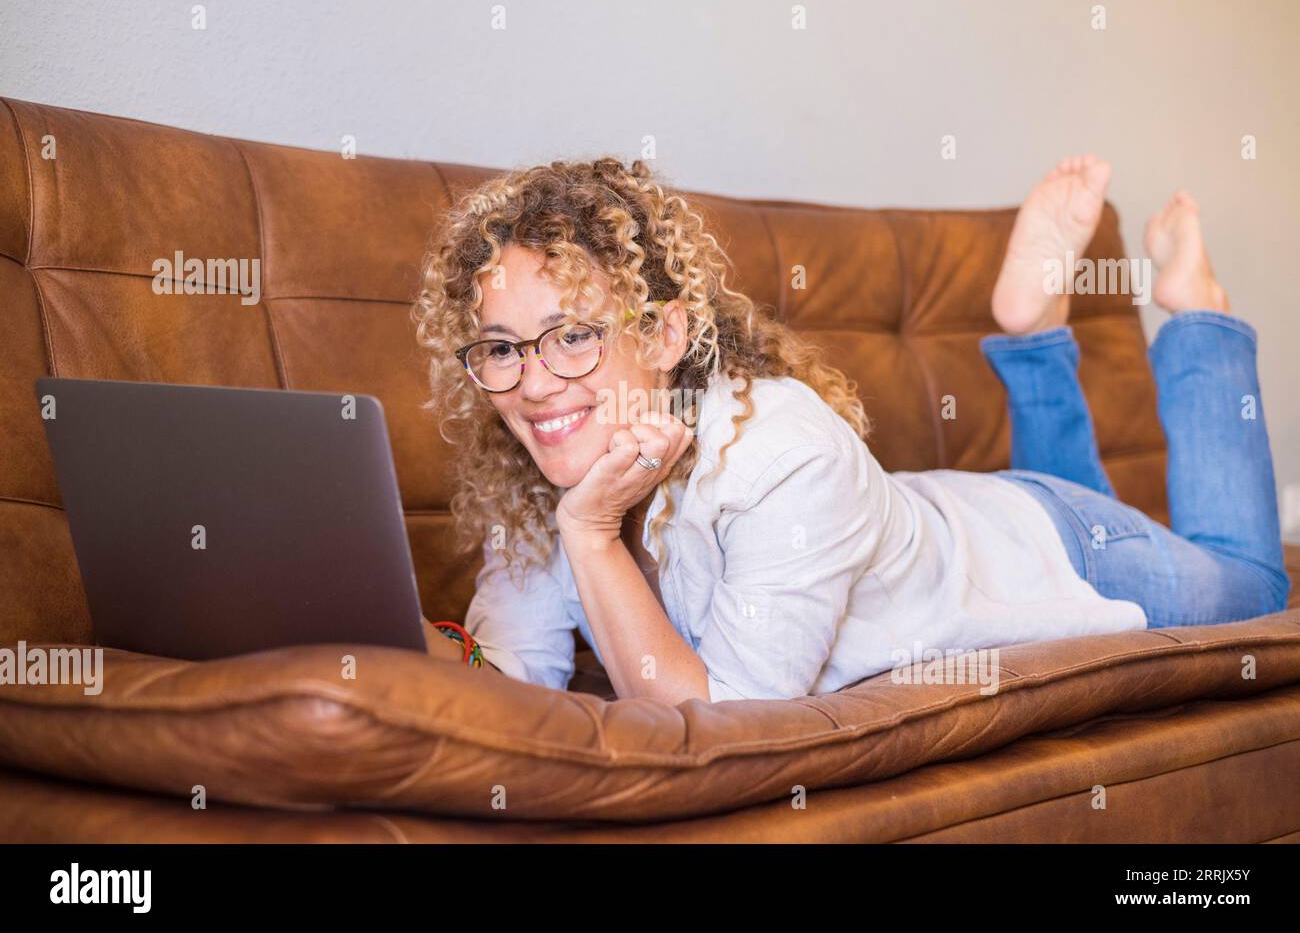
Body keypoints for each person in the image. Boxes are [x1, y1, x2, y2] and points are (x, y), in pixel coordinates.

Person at [411, 155, 1290, 706]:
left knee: (1256, 590)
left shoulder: (781, 453)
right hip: (963, 521)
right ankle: (1034, 333)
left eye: (572, 336)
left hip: (1060, 547)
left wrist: (592, 536)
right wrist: (406, 648)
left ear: (668, 334)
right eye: (499, 348)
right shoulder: (537, 477)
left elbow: (729, 720)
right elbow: (510, 684)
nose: (531, 383)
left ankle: (1196, 315)